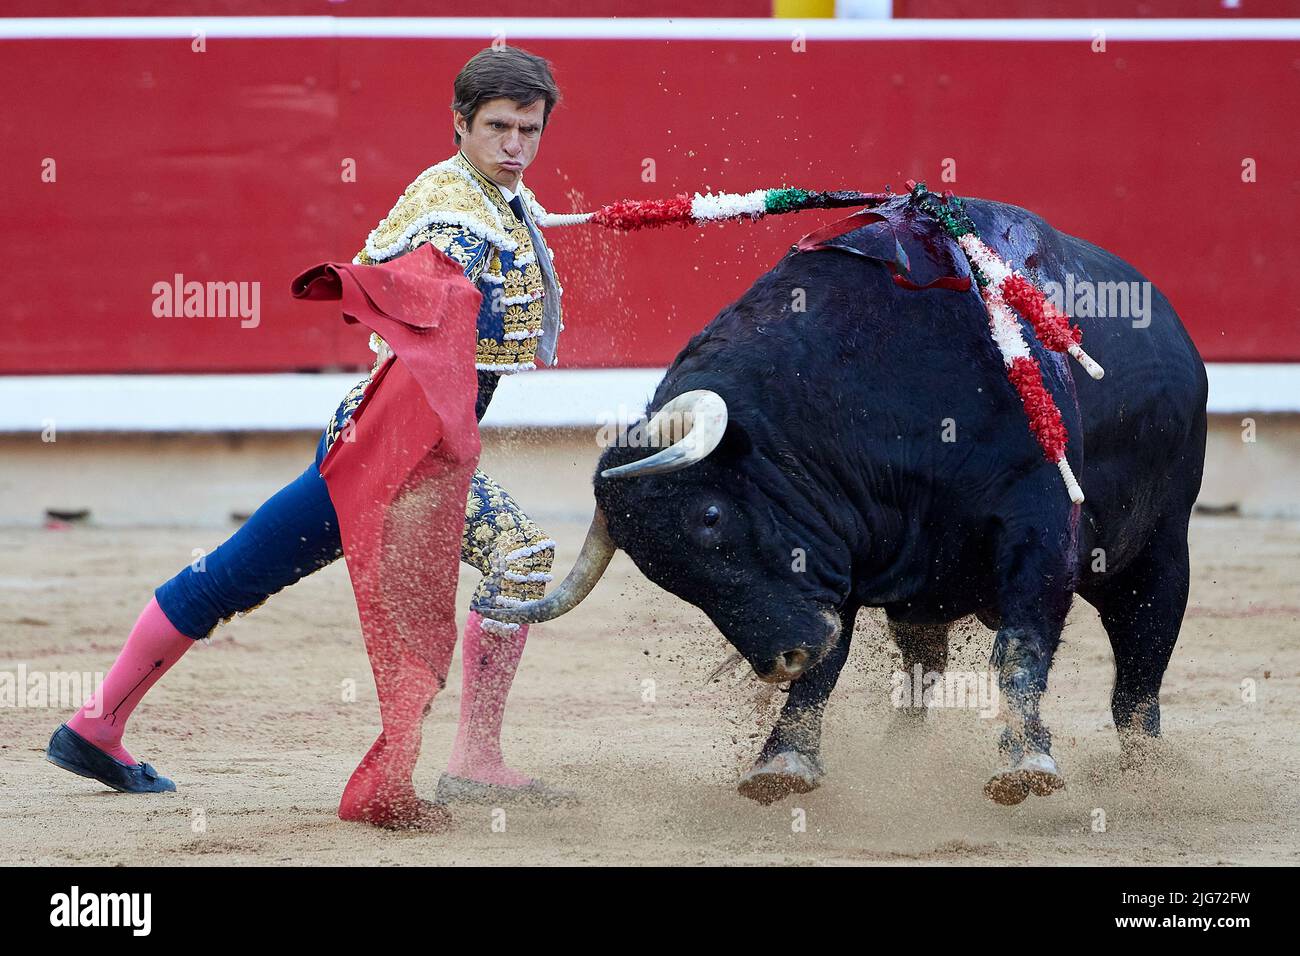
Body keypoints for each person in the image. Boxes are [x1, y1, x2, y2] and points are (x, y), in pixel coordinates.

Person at [47, 45, 573, 827]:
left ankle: (95, 725)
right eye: (497, 126)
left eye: (529, 129)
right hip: (390, 453)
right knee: (518, 555)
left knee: (233, 577)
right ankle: (476, 760)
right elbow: (430, 278)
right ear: (459, 122)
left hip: (398, 444)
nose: (515, 146)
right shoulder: (451, 208)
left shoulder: (498, 199)